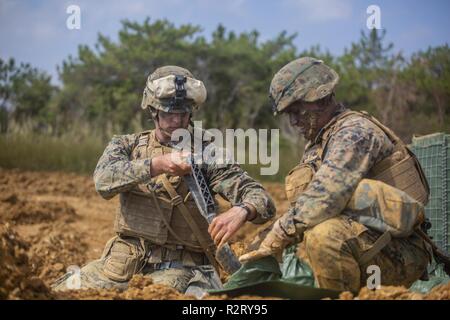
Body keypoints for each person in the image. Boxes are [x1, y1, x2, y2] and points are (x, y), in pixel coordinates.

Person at [53, 65, 275, 297]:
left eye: (183, 114)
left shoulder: (208, 153)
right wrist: (157, 164)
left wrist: (242, 210)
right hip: (119, 265)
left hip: (181, 270)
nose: (176, 121)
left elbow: (262, 200)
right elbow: (103, 181)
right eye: (169, 113)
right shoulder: (127, 145)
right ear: (153, 111)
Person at [240, 57, 434, 293]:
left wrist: (279, 235)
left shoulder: (354, 133)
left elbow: (325, 196)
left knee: (325, 237)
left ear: (320, 98)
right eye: (288, 114)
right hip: (365, 241)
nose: (294, 121)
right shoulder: (319, 143)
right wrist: (263, 241)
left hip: (399, 250)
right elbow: (304, 206)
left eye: (297, 110)